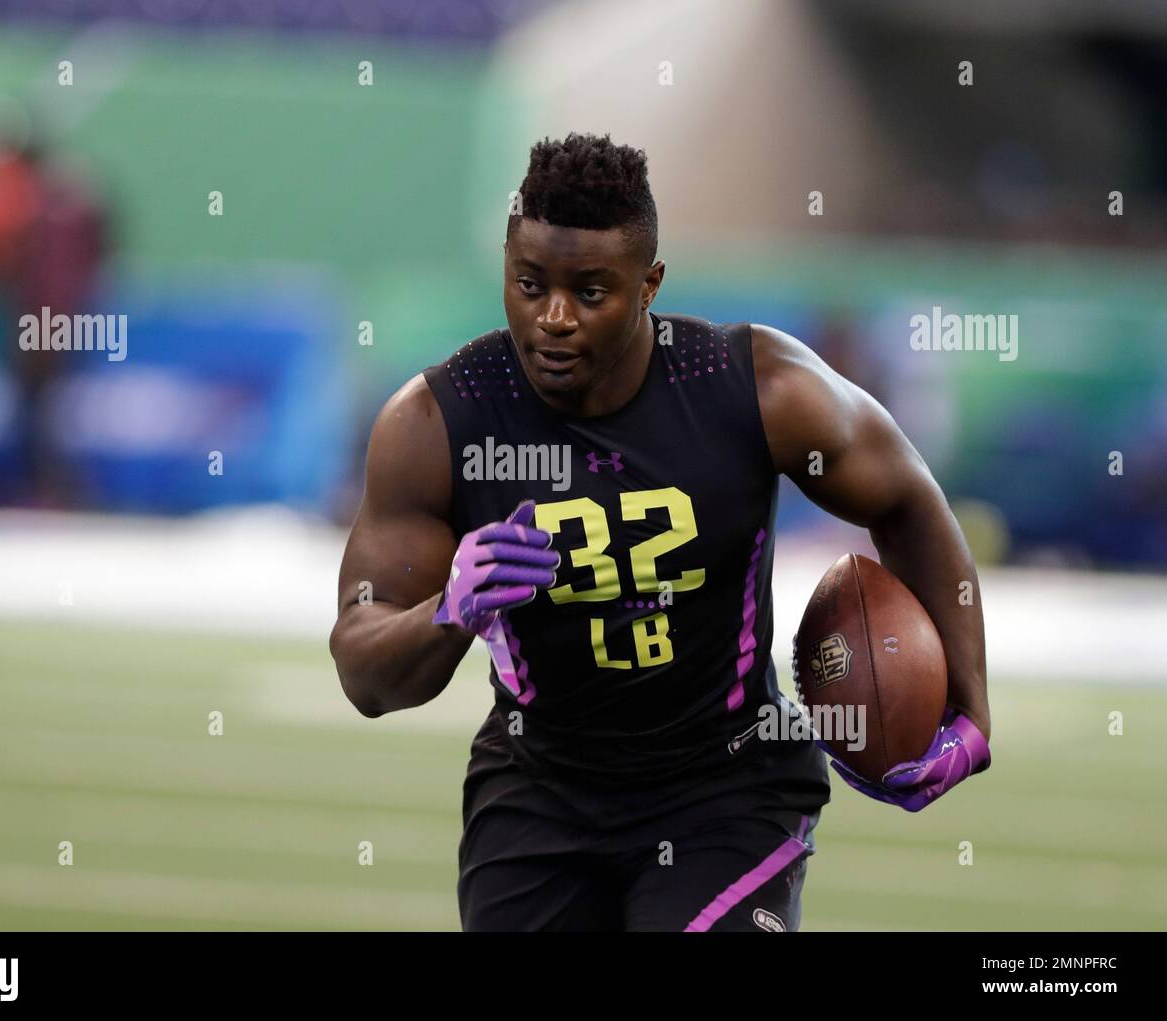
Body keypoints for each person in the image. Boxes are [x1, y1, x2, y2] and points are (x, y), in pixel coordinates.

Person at [330, 132, 991, 931]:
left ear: (650, 285)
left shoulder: (755, 388)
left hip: (728, 786)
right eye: (530, 284)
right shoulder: (437, 423)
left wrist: (970, 707)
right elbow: (364, 674)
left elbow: (907, 498)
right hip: (540, 790)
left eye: (591, 291)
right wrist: (446, 612)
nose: (555, 319)